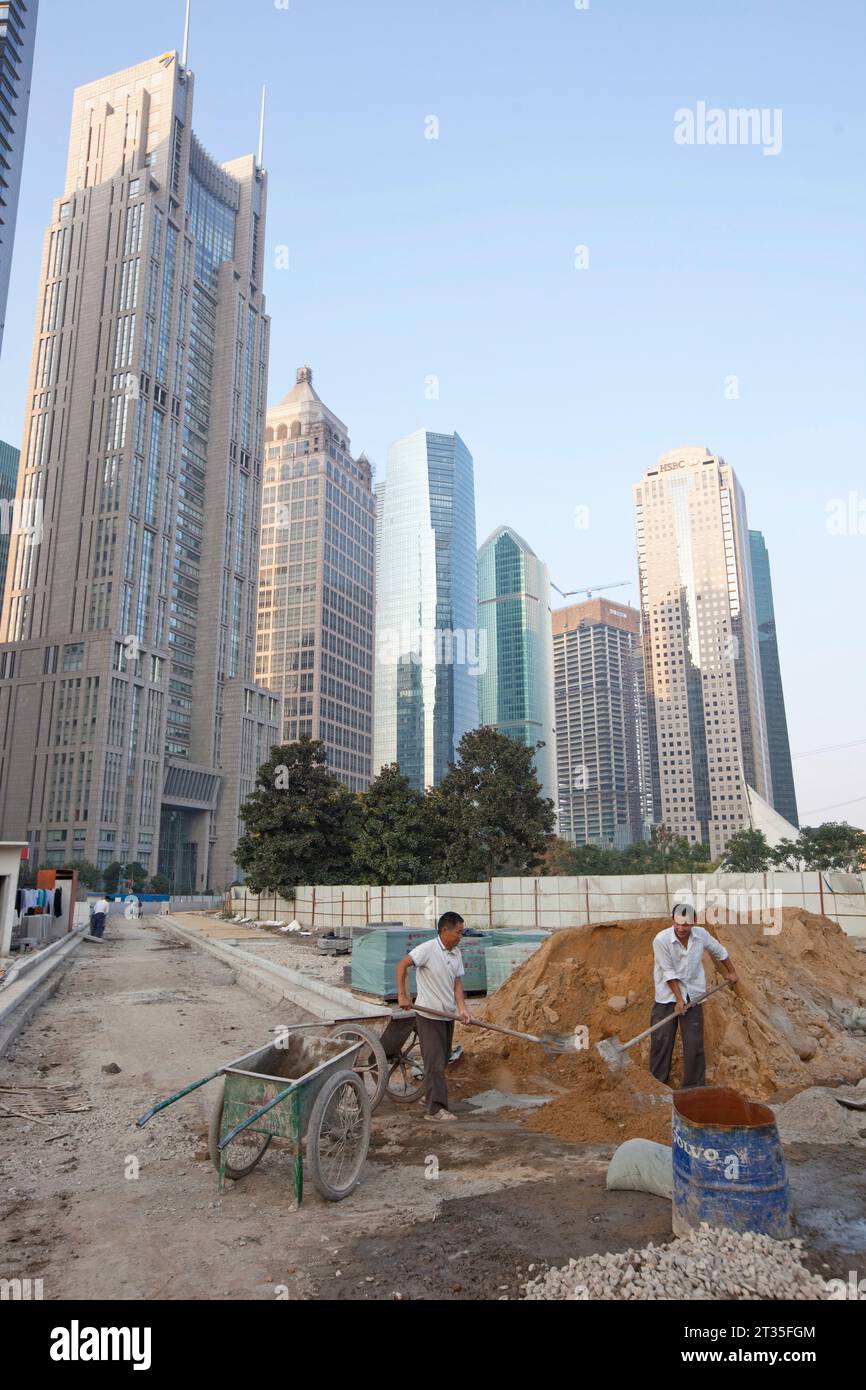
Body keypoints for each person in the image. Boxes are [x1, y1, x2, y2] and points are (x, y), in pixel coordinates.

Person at [650, 902, 738, 1088]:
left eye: (686, 925)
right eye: (678, 924)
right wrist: (679, 1000)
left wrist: (731, 971)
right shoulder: (661, 940)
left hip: (693, 995)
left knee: (694, 1044)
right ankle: (657, 1085)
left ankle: (693, 1088)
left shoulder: (701, 935)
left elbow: (720, 951)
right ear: (672, 921)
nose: (681, 929)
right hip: (667, 997)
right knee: (662, 1039)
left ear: (694, 923)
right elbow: (668, 972)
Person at [395, 912, 472, 1122]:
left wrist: (462, 1009)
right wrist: (402, 994)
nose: (460, 936)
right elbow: (402, 965)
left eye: (462, 932)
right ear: (445, 930)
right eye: (458, 932)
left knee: (443, 1059)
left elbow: (456, 983)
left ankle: (429, 1097)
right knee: (435, 1063)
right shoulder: (428, 949)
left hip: (447, 1015)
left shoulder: (456, 954)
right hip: (428, 1014)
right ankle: (435, 1110)